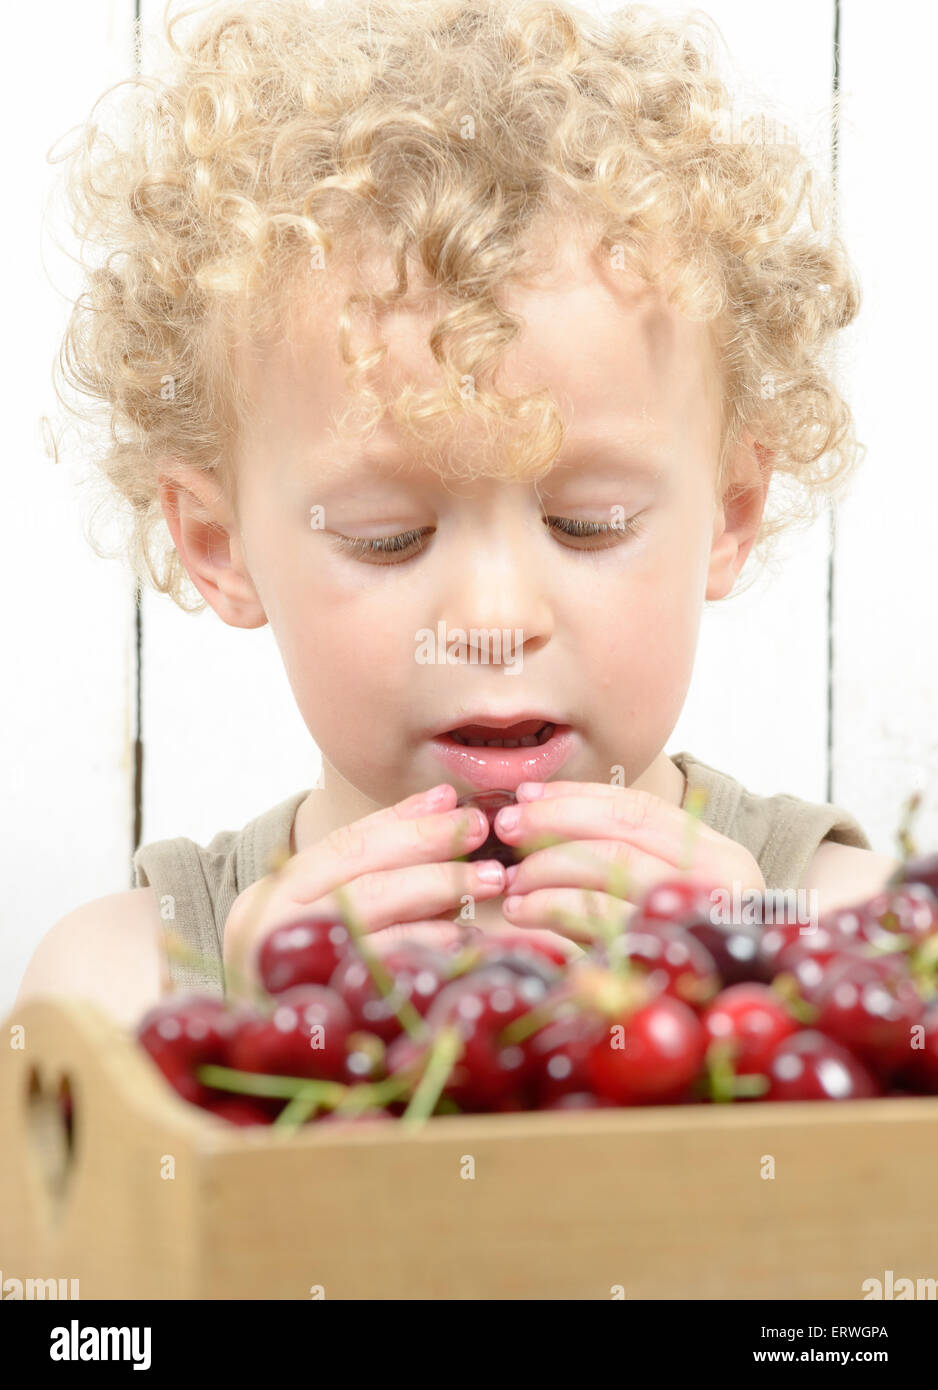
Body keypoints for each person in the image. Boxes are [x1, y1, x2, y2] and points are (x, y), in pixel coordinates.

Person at [15, 0, 899, 1027]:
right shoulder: (132, 982)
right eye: (385, 536)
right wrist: (255, 1051)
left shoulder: (838, 936)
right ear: (219, 547)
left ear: (731, 511)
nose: (489, 616)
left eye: (590, 522)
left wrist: (758, 993)